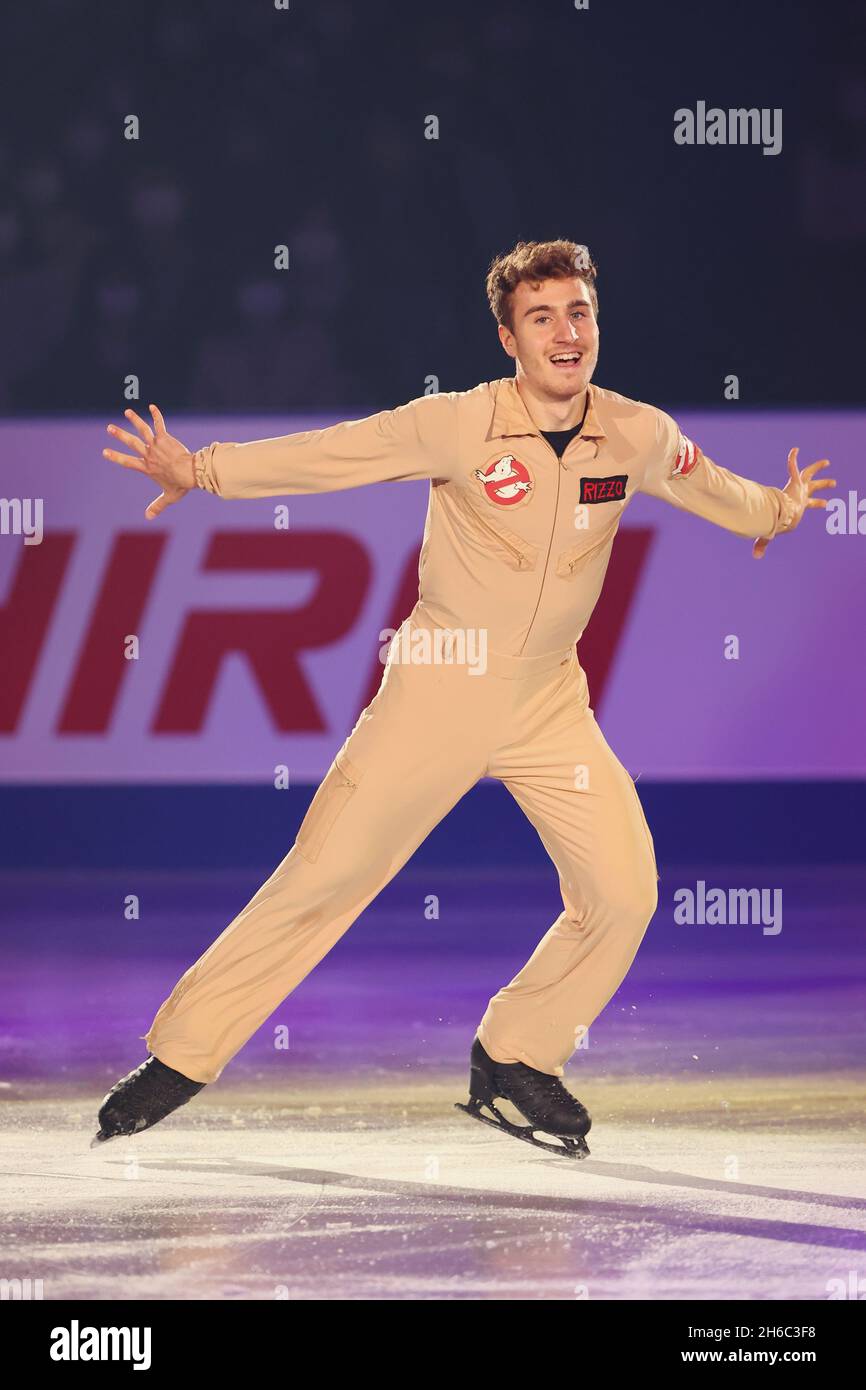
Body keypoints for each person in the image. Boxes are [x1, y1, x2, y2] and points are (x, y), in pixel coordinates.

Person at [94, 239, 833, 1157]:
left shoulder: (633, 432)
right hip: (439, 689)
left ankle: (517, 1054)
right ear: (508, 338)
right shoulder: (458, 424)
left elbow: (706, 481)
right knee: (326, 876)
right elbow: (338, 454)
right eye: (542, 318)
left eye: (579, 313)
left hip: (548, 700)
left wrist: (777, 511)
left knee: (625, 887)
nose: (566, 334)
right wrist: (203, 471)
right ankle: (182, 1056)